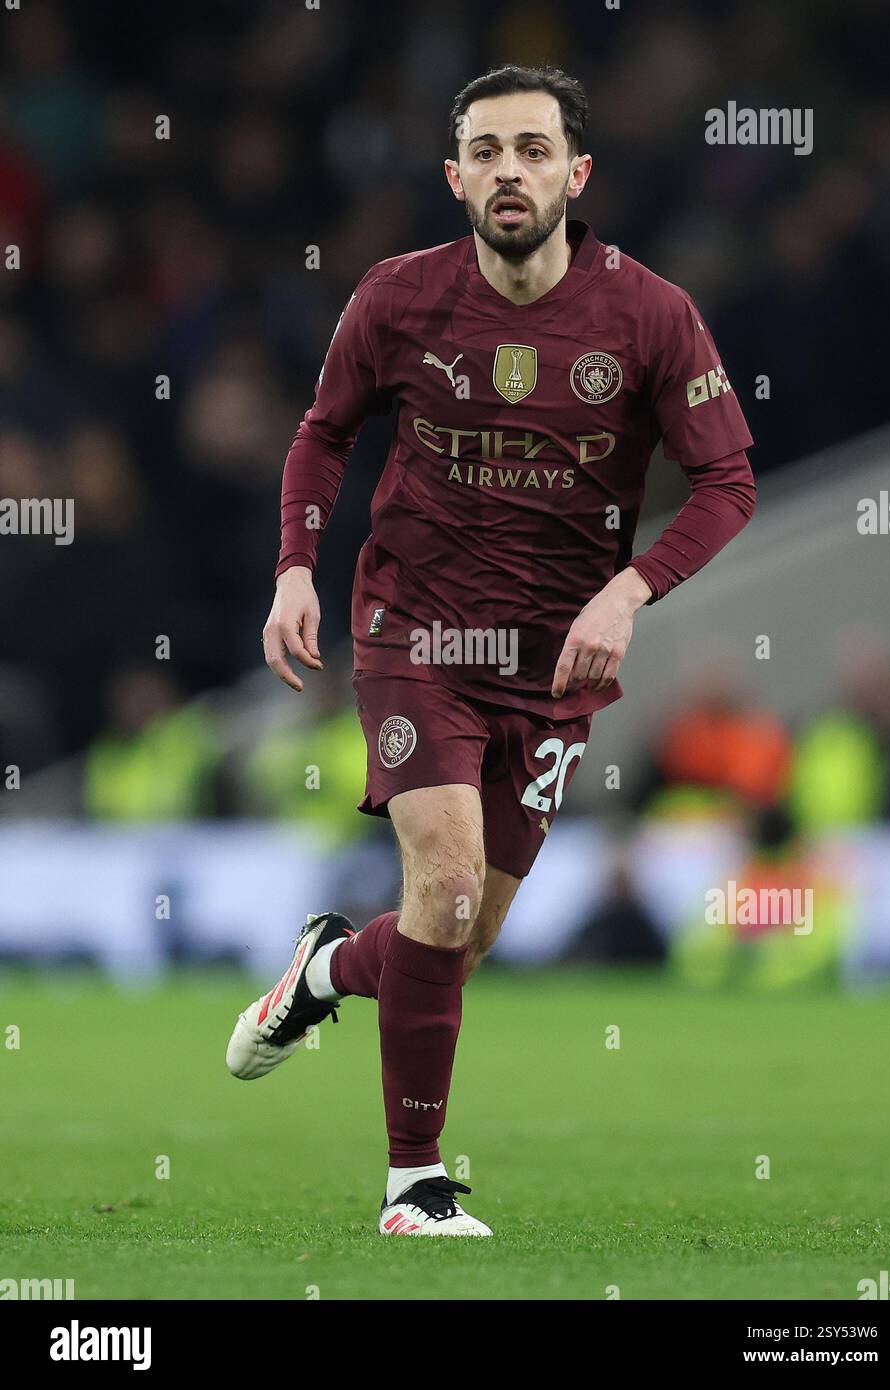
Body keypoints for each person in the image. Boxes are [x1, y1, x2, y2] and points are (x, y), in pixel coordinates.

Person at [226, 64, 756, 1236]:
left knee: (452, 946)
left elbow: (726, 477)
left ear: (576, 172)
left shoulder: (651, 314)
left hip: (557, 663)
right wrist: (293, 569)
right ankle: (412, 1184)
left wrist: (631, 587)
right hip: (415, 631)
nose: (507, 170)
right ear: (454, 174)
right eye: (485, 150)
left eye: (531, 149)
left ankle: (320, 974)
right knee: (448, 884)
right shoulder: (397, 298)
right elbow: (322, 435)